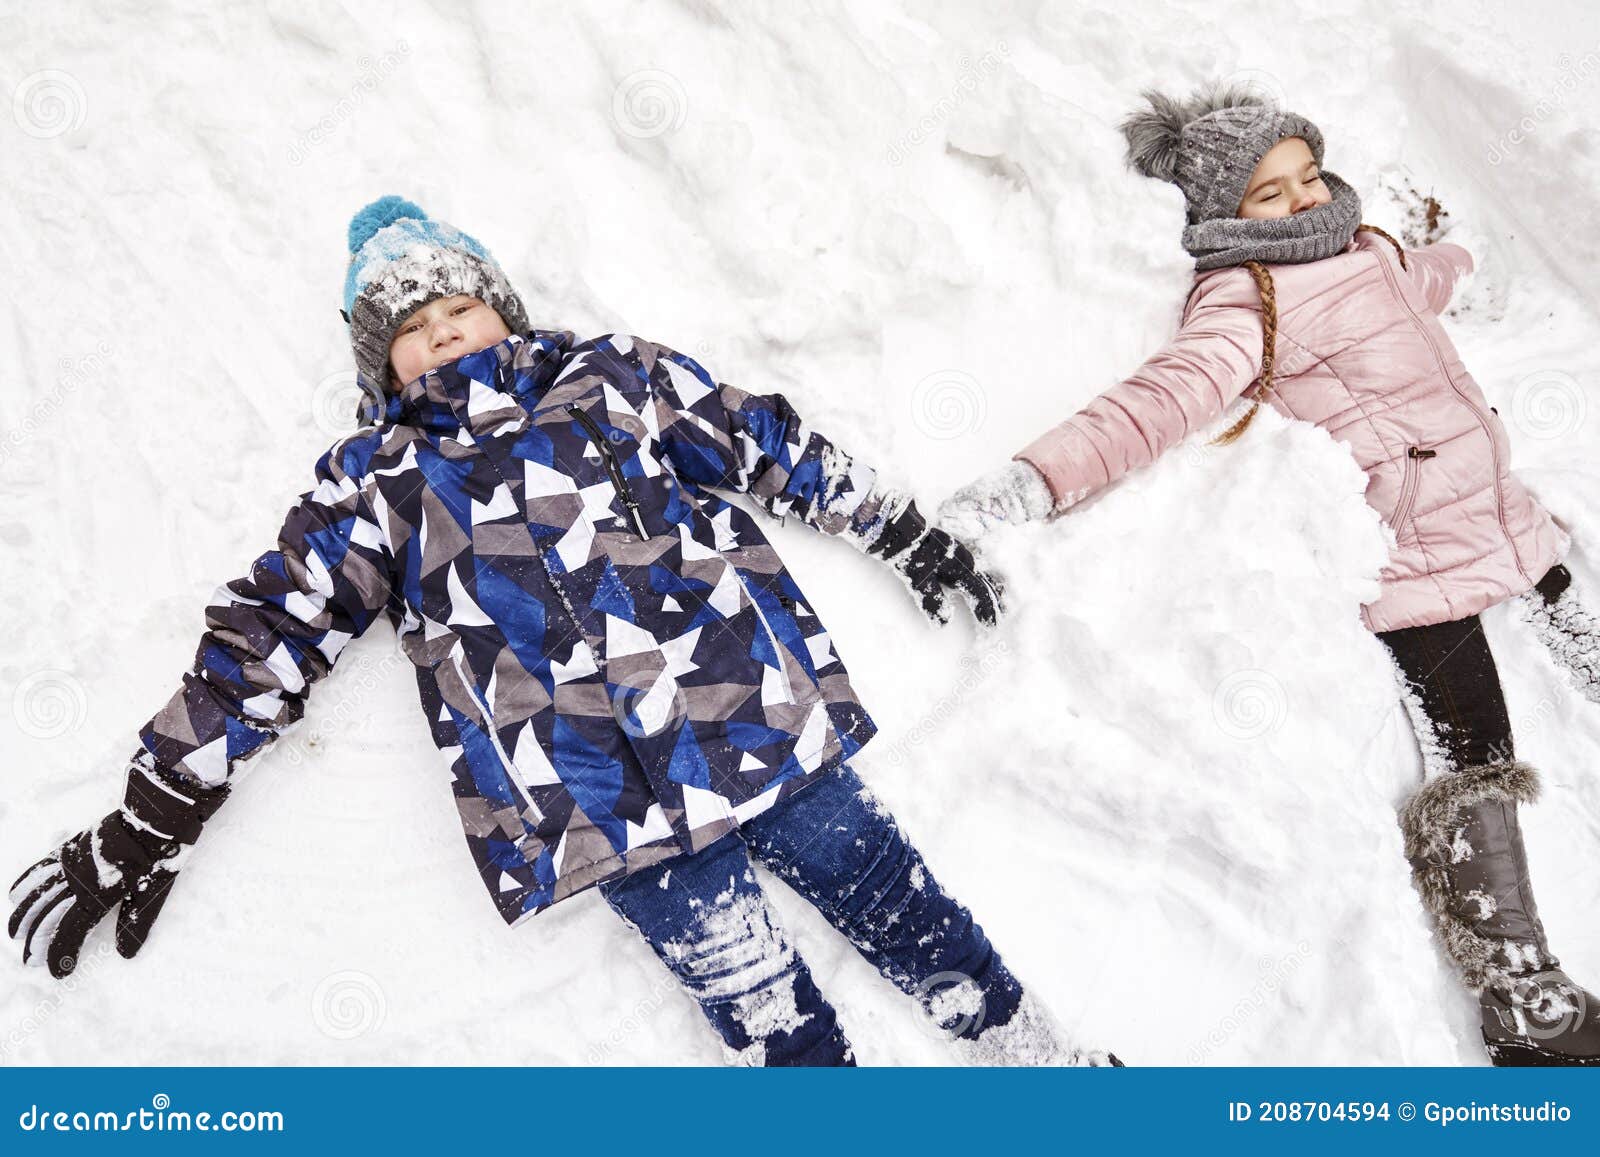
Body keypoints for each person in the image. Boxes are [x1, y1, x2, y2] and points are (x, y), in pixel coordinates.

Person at [9, 196, 1118, 1068]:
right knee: (767, 1015)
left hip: (754, 720)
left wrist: (902, 530)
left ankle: (1046, 1066)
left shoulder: (615, 379)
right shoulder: (380, 482)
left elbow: (768, 445)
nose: (441, 332)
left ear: (504, 307)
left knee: (907, 910)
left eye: (459, 307)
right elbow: (271, 632)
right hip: (594, 797)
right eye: (409, 329)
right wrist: (153, 809)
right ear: (379, 367)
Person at [938, 85, 1600, 1066]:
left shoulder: (1366, 249)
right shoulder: (1247, 299)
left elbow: (1424, 278)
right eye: (1267, 196)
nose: (1299, 204)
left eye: (1305, 177)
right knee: (1476, 763)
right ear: (1219, 220)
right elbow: (1157, 401)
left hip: (1506, 516)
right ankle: (1522, 1001)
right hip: (1417, 564)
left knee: (1583, 645)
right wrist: (1033, 481)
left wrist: (1462, 254)